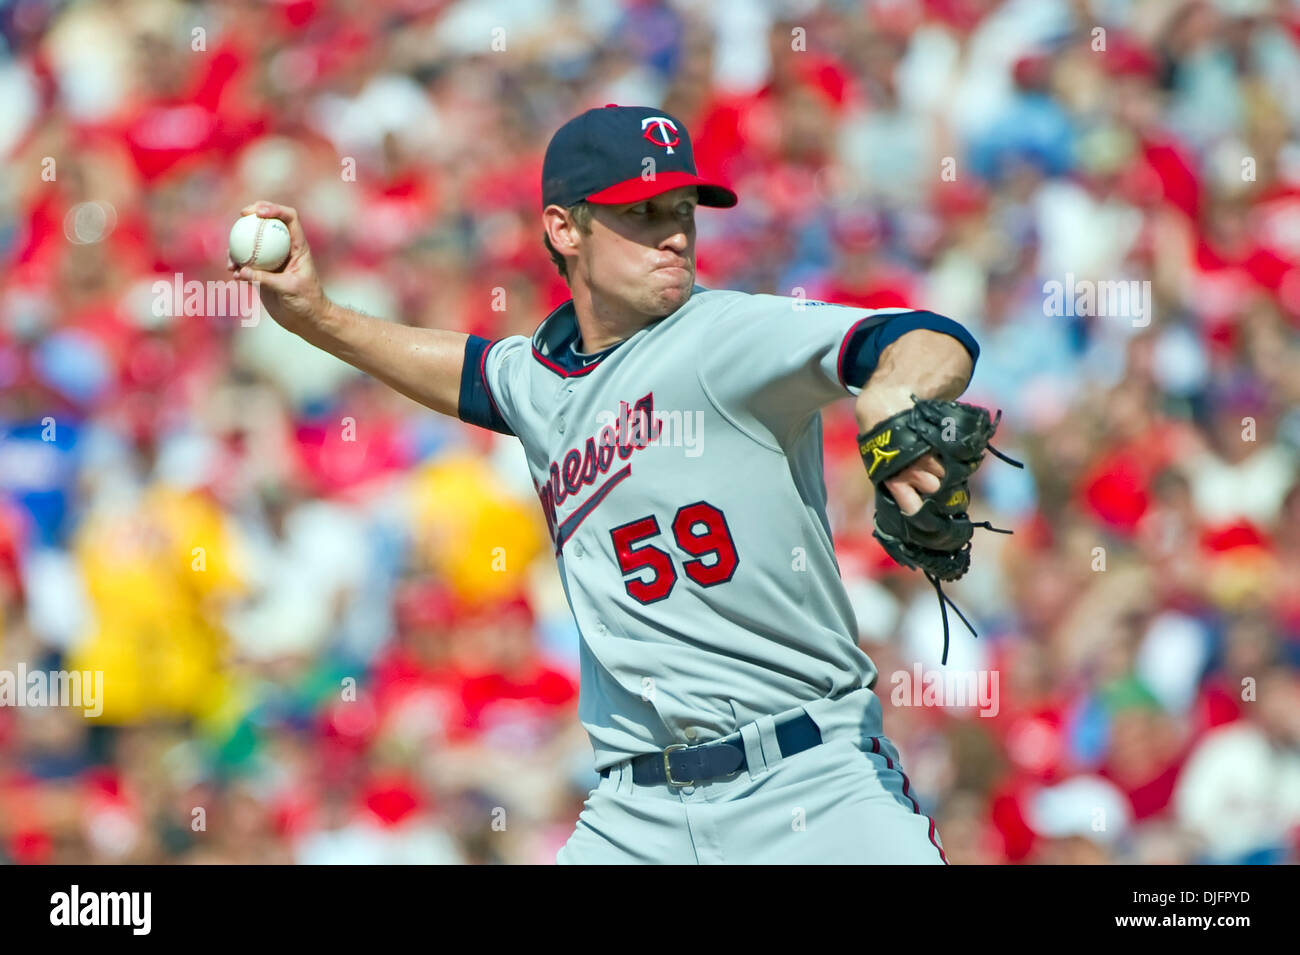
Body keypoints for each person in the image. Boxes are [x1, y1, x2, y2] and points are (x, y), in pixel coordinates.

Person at [231, 105, 983, 863]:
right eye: (643, 212)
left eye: (683, 210)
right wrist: (317, 317)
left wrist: (893, 392)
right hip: (636, 811)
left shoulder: (726, 335)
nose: (676, 234)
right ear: (565, 228)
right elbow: (463, 368)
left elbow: (927, 338)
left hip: (810, 783)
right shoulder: (538, 380)